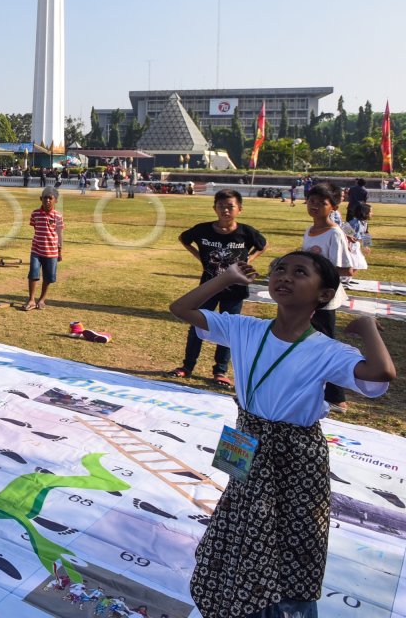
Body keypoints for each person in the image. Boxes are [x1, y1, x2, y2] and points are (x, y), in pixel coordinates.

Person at [169, 254, 394, 618]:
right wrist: (226, 278)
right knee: (243, 521)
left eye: (299, 273)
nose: (284, 277)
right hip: (247, 439)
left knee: (295, 534)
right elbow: (181, 308)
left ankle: (289, 608)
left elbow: (382, 372)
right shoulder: (245, 328)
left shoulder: (326, 350)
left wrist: (367, 326)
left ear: (323, 295)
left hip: (295, 453)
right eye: (280, 270)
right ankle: (237, 598)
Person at [171, 189, 267, 385]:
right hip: (208, 287)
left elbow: (263, 245)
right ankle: (187, 366)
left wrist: (249, 259)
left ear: (239, 209)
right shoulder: (202, 230)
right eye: (221, 206)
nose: (225, 210)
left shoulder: (246, 232)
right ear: (214, 208)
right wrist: (201, 258)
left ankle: (220, 371)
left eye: (230, 206)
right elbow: (184, 239)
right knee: (196, 325)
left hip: (235, 289)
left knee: (229, 329)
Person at [302, 181, 355, 411]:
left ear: (333, 206)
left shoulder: (335, 234)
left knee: (326, 347)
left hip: (325, 301)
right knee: (305, 345)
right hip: (307, 298)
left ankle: (337, 397)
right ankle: (311, 390)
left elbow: (346, 269)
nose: (314, 206)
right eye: (311, 201)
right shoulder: (310, 230)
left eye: (321, 203)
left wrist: (322, 280)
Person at [23, 187, 63, 311]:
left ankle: (42, 299)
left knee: (48, 277)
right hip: (36, 250)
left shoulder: (58, 216)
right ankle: (31, 299)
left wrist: (60, 251)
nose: (47, 200)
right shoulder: (35, 213)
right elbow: (35, 227)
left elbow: (59, 234)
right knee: (33, 274)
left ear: (55, 200)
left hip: (51, 252)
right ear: (41, 199)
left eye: (50, 198)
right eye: (45, 198)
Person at [346, 203, 371, 273]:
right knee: (356, 263)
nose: (372, 213)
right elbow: (346, 234)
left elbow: (366, 232)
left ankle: (347, 279)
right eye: (370, 212)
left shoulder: (364, 222)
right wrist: (347, 246)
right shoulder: (354, 223)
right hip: (351, 245)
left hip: (356, 245)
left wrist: (366, 245)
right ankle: (344, 279)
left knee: (358, 264)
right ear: (365, 213)